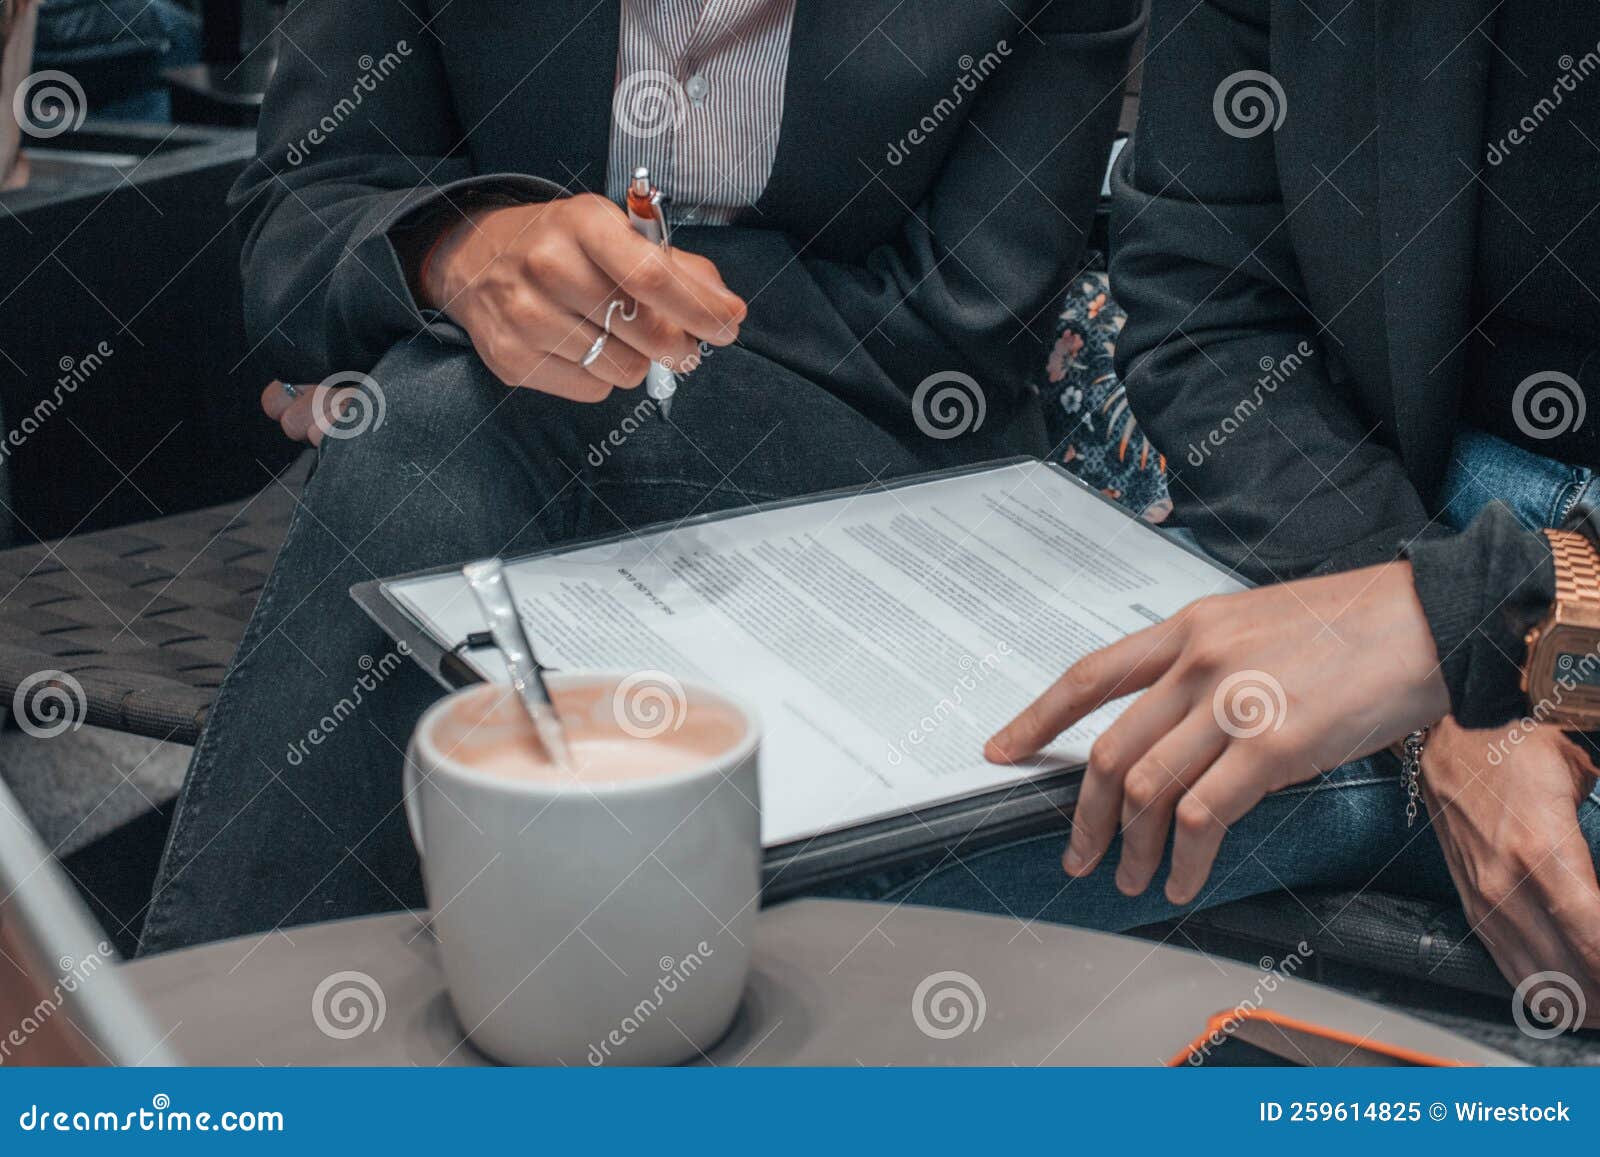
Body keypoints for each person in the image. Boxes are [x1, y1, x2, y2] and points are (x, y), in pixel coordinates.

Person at [138, 0, 1145, 952]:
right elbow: (299, 217)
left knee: (449, 416)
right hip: (487, 455)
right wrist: (456, 256)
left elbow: (963, 326)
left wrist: (537, 303)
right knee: (458, 419)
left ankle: (212, 1044)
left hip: (875, 470)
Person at [974, 0, 1600, 1024]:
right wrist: (1419, 630)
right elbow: (1208, 295)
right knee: (867, 858)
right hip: (1356, 499)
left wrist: (1477, 623)